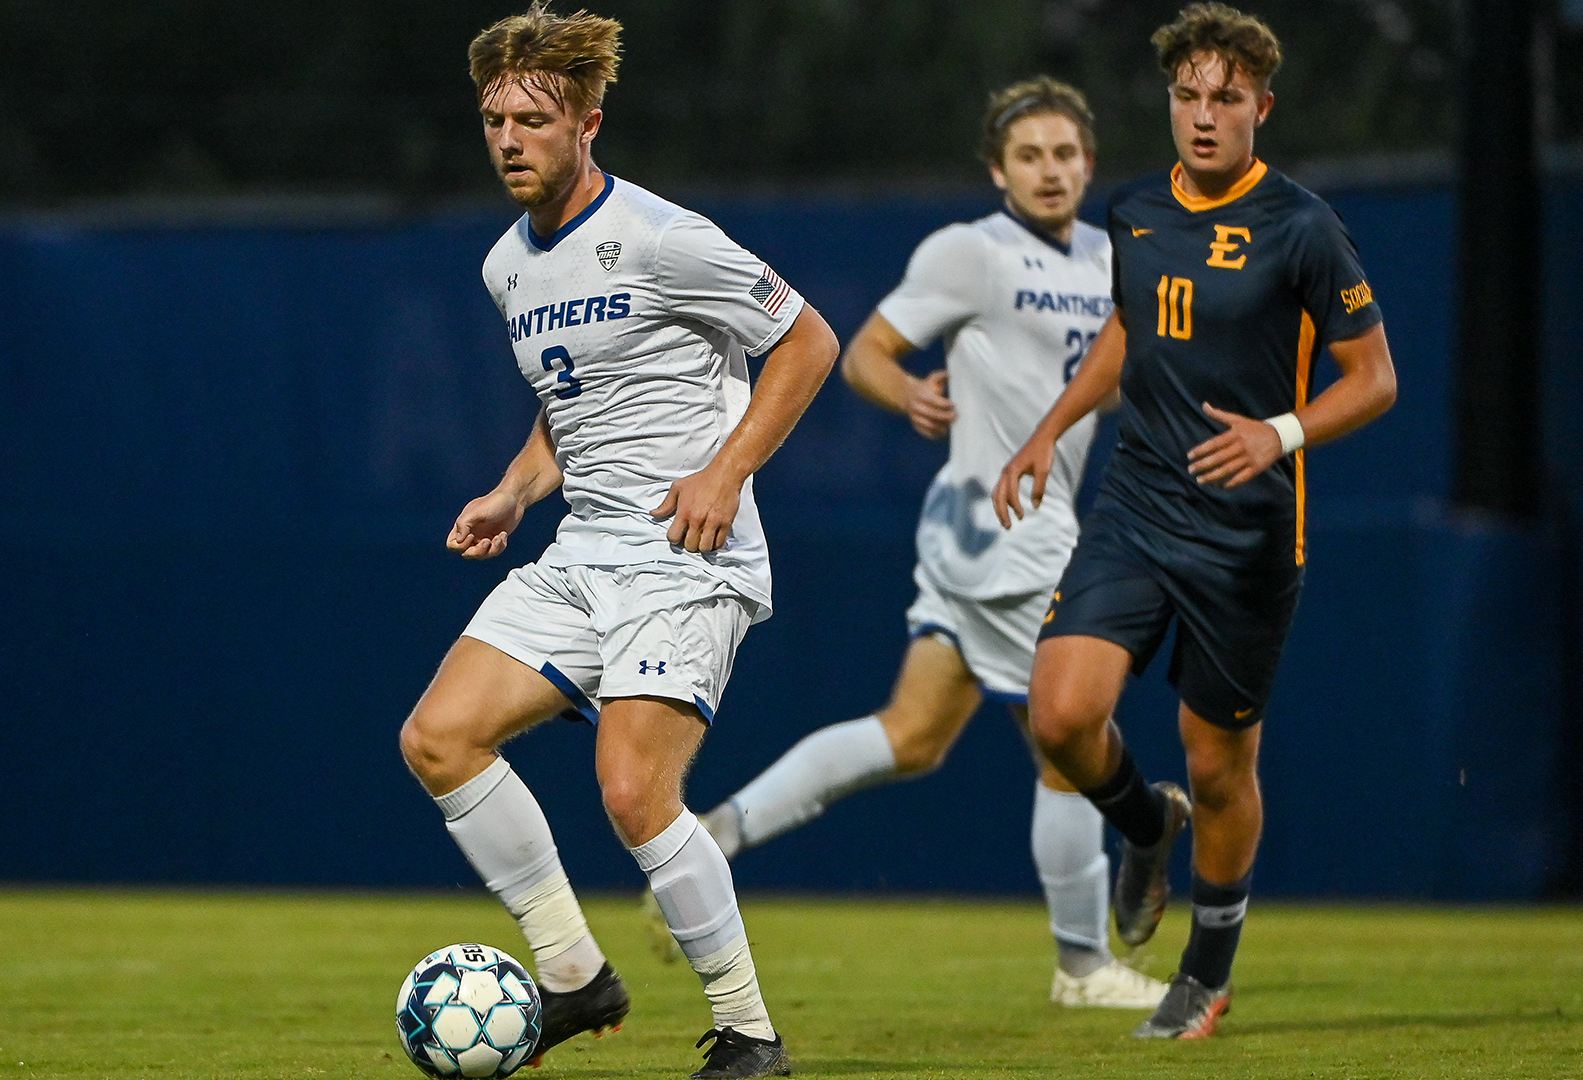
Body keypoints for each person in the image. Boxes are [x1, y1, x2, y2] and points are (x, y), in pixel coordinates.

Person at [396, 5, 837, 1077]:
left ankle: (750, 1033)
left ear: (588, 124)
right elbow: (573, 402)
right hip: (585, 550)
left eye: (534, 121)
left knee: (635, 791)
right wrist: (514, 491)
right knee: (439, 737)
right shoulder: (508, 266)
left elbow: (808, 341)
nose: (509, 140)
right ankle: (573, 975)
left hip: (687, 555)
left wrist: (726, 473)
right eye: (495, 120)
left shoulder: (661, 236)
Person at [685, 77, 1166, 1010]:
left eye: (1065, 153)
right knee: (1070, 745)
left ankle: (722, 831)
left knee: (912, 733)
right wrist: (907, 391)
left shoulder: (1113, 260)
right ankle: (1082, 965)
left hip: (991, 529)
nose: (1050, 170)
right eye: (1029, 155)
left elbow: (1100, 382)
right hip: (1011, 527)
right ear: (997, 171)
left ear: (1089, 164)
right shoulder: (969, 251)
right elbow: (866, 350)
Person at [994, 3, 1398, 1039]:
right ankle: (1144, 822)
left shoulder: (1303, 226)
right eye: (1188, 96)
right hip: (1139, 501)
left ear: (1264, 107)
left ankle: (1204, 975)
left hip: (1248, 532)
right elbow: (1129, 334)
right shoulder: (1134, 211)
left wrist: (1281, 434)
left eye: (1227, 97)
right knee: (1060, 715)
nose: (1205, 115)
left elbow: (1375, 379)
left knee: (1218, 765)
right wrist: (1048, 430)